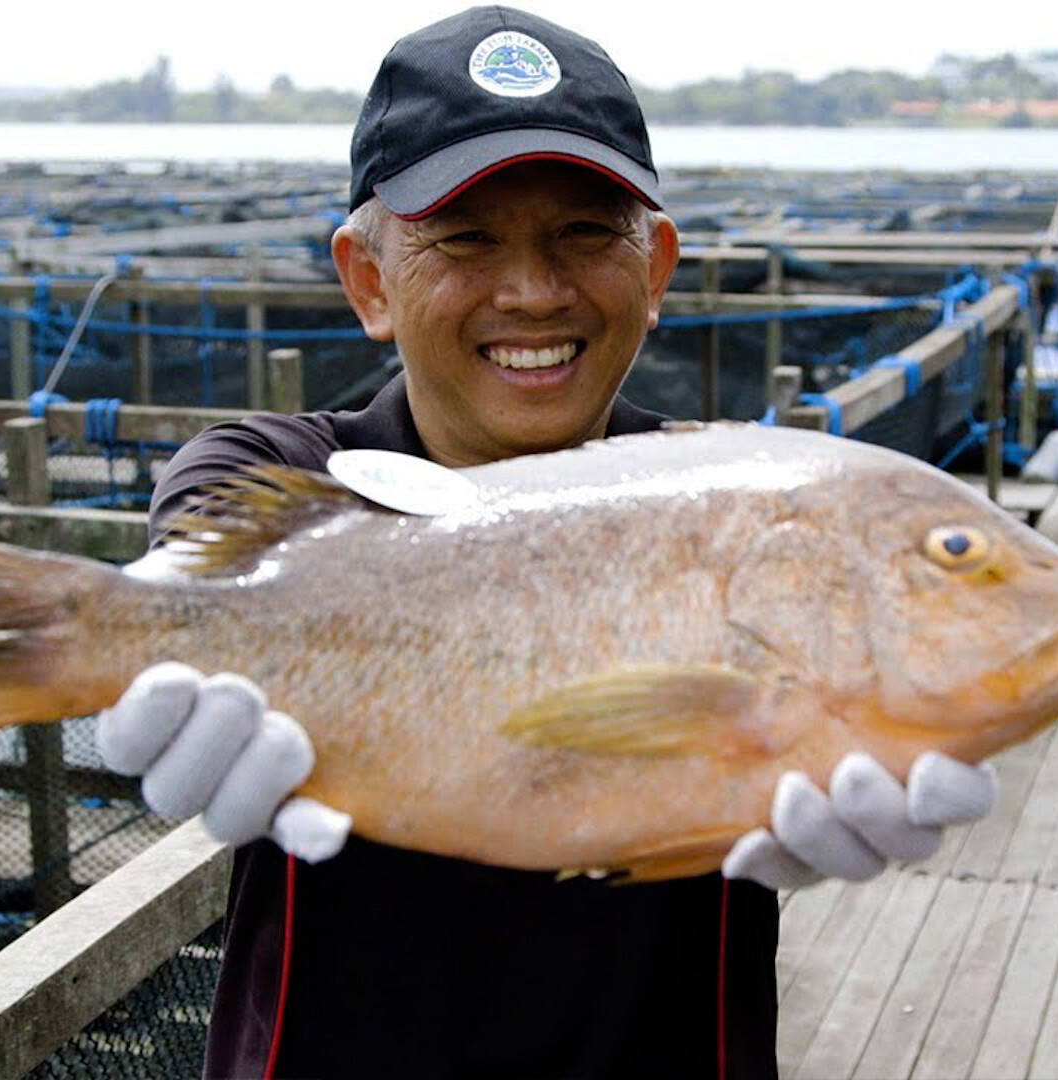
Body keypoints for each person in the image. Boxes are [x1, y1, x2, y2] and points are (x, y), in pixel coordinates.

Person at [96, 8, 997, 1077]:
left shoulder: (740, 505)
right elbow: (208, 529)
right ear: (370, 280)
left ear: (655, 269)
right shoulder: (289, 472)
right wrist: (160, 633)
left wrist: (861, 729)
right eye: (466, 238)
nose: (532, 291)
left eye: (584, 232)